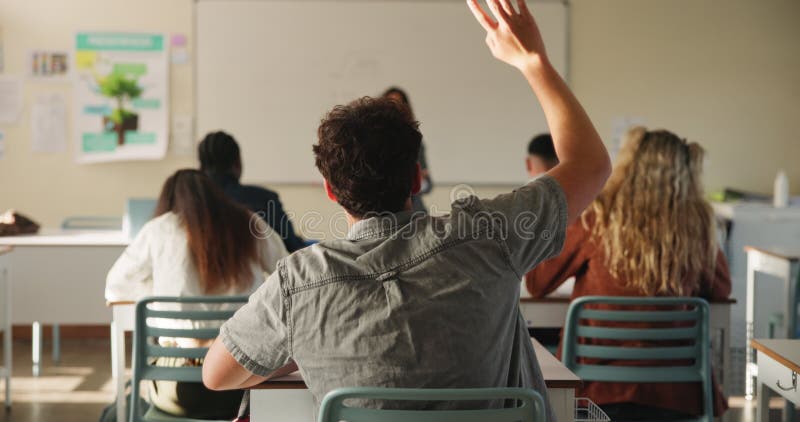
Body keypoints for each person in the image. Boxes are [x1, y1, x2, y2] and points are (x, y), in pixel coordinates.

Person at [202, 2, 611, 421]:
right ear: (417, 179)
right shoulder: (491, 235)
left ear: (330, 190)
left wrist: (302, 343)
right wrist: (533, 61)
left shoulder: (299, 284)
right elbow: (591, 164)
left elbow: (215, 376)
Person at [525, 127, 732, 421]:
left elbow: (537, 283)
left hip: (596, 390)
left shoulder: (597, 218)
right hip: (677, 394)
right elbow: (721, 289)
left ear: (626, 166)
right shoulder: (698, 226)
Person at [105, 169, 288, 420]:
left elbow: (115, 285)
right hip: (242, 385)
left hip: (177, 391)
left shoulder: (159, 229)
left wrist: (157, 294)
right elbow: (289, 274)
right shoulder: (249, 222)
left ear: (169, 202)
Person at [198, 131, 307, 252]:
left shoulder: (191, 203)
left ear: (200, 167)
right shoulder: (265, 200)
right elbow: (293, 247)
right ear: (237, 163)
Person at [382, 87, 433, 213]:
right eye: (390, 104)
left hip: (414, 212)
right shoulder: (372, 141)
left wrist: (419, 179)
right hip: (384, 213)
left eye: (399, 104)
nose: (395, 108)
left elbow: (428, 186)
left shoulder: (414, 139)